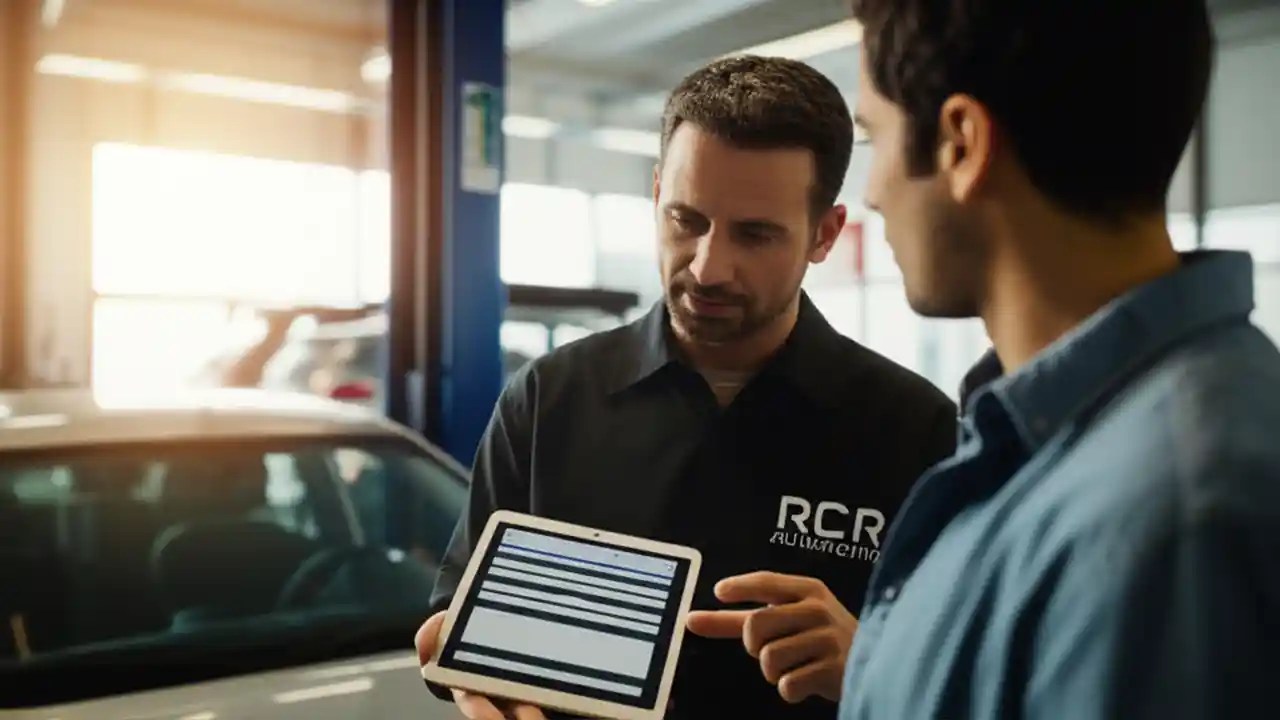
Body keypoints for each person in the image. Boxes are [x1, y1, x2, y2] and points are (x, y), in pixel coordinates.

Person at [415, 55, 958, 720]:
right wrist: (469, 669)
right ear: (654, 195)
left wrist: (876, 667)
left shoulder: (915, 431)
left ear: (824, 234)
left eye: (754, 234)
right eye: (686, 219)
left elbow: (982, 683)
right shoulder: (549, 398)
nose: (708, 267)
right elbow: (454, 623)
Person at [839, 0, 1280, 718]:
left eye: (875, 137)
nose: (873, 191)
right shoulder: (1072, 446)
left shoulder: (1169, 526)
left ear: (962, 145)